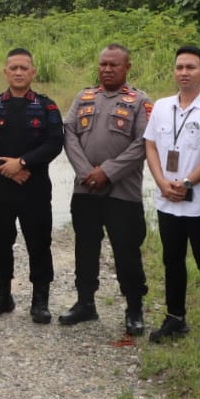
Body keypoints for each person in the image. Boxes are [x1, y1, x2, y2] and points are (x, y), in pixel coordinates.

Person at [60, 44, 151, 335]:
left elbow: (143, 144)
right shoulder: (83, 97)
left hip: (123, 192)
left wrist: (107, 172)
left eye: (114, 64)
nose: (107, 69)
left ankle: (134, 309)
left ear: (127, 67)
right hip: (85, 189)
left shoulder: (139, 101)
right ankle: (85, 303)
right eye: (103, 64)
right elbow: (69, 133)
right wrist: (87, 172)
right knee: (85, 248)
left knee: (126, 251)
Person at [143, 44, 200, 347]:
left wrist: (187, 183)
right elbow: (151, 145)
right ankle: (175, 318)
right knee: (172, 260)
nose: (184, 72)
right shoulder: (162, 105)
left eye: (191, 67)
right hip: (167, 198)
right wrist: (161, 181)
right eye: (179, 67)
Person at [0, 48, 64, 323]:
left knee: (39, 244)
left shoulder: (47, 107)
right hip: (0, 188)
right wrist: (8, 170)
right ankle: (3, 295)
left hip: (35, 189)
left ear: (33, 72)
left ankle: (40, 301)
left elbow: (55, 143)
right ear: (6, 72)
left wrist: (23, 163)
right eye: (14, 68)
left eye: (24, 68)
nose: (19, 72)